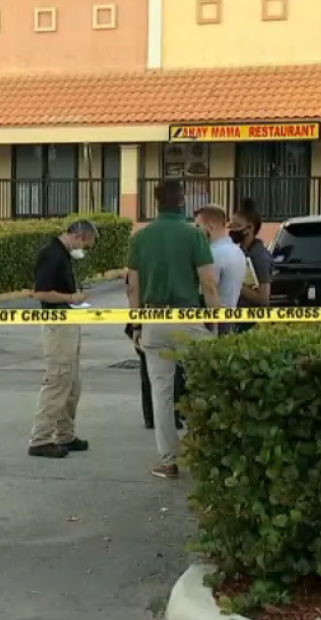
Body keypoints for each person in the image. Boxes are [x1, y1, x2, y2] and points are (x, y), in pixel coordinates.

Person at [127, 180, 220, 480]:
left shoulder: (141, 238)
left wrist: (137, 324)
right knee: (201, 386)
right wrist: (215, 321)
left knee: (162, 393)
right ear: (182, 201)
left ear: (156, 203)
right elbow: (208, 282)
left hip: (154, 320)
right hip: (190, 318)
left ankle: (168, 461)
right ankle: (205, 453)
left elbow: (134, 287)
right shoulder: (194, 235)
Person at [28, 219, 99, 459]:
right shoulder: (51, 254)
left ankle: (65, 435)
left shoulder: (63, 254)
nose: (84, 249)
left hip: (69, 321)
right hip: (58, 325)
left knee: (72, 382)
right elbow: (41, 291)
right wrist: (72, 297)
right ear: (77, 235)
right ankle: (40, 438)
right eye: (86, 244)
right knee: (58, 379)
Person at [194, 204, 247, 334]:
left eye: (198, 226)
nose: (195, 232)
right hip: (230, 319)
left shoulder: (212, 254)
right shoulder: (238, 251)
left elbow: (207, 289)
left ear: (210, 226)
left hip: (213, 324)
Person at [230, 198, 273, 333]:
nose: (232, 230)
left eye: (236, 226)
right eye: (231, 225)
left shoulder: (260, 257)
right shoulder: (240, 251)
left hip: (251, 325)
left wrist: (235, 284)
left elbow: (263, 298)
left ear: (250, 228)